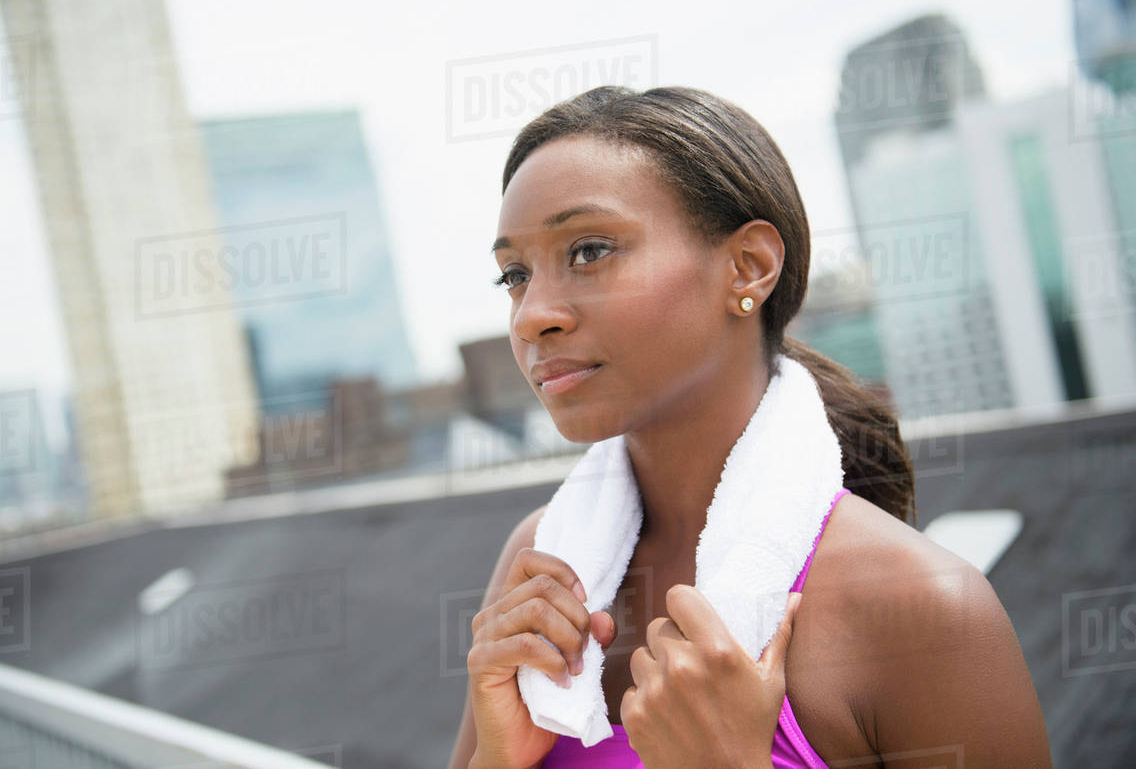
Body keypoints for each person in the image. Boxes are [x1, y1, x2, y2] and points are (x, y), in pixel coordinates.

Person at [447, 86, 1052, 769]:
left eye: (588, 250)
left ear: (750, 267)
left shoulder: (924, 606)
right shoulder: (539, 566)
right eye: (515, 276)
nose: (532, 316)